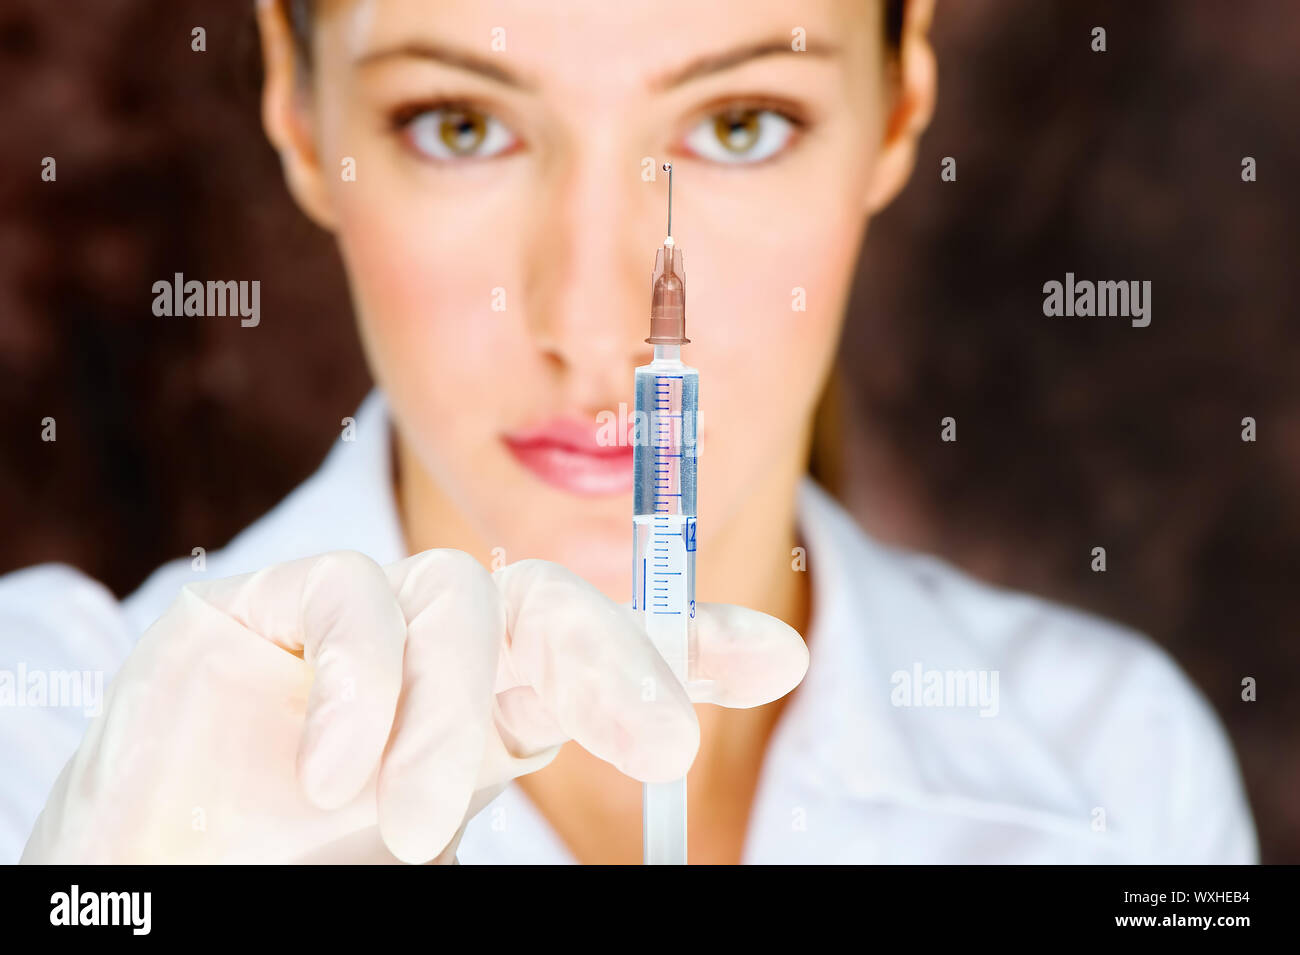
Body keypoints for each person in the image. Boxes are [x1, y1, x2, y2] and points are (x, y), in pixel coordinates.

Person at [0, 0, 1256, 864]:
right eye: (459, 124)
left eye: (738, 124)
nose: (597, 331)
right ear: (294, 97)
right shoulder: (49, 738)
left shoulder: (1116, 770)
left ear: (894, 105)